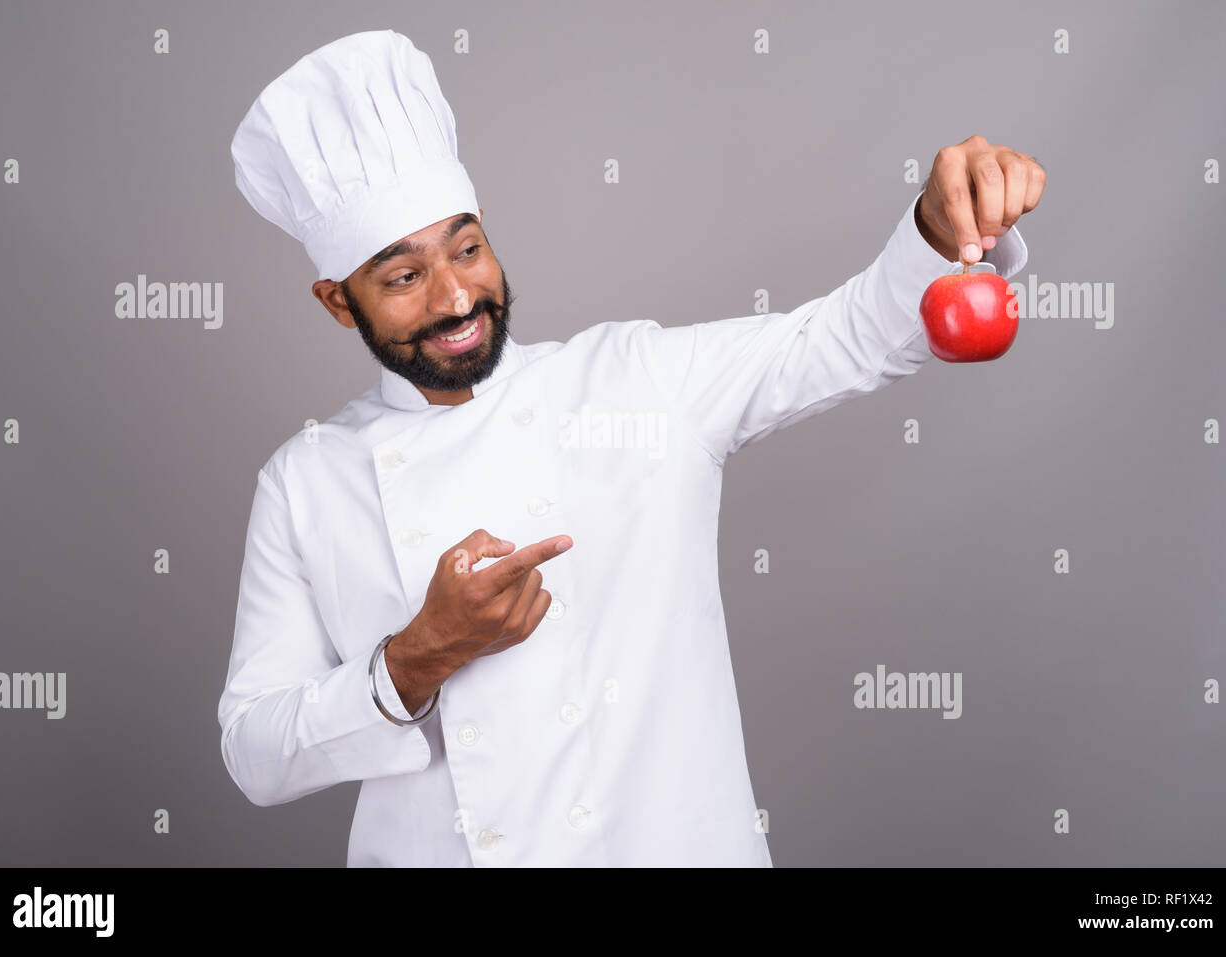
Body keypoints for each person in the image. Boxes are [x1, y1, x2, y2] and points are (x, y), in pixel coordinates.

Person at [219, 29, 1044, 867]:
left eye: (467, 249)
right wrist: (416, 657)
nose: (457, 293)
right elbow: (254, 751)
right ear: (336, 301)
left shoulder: (635, 382)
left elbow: (848, 337)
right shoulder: (307, 480)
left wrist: (941, 236)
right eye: (403, 277)